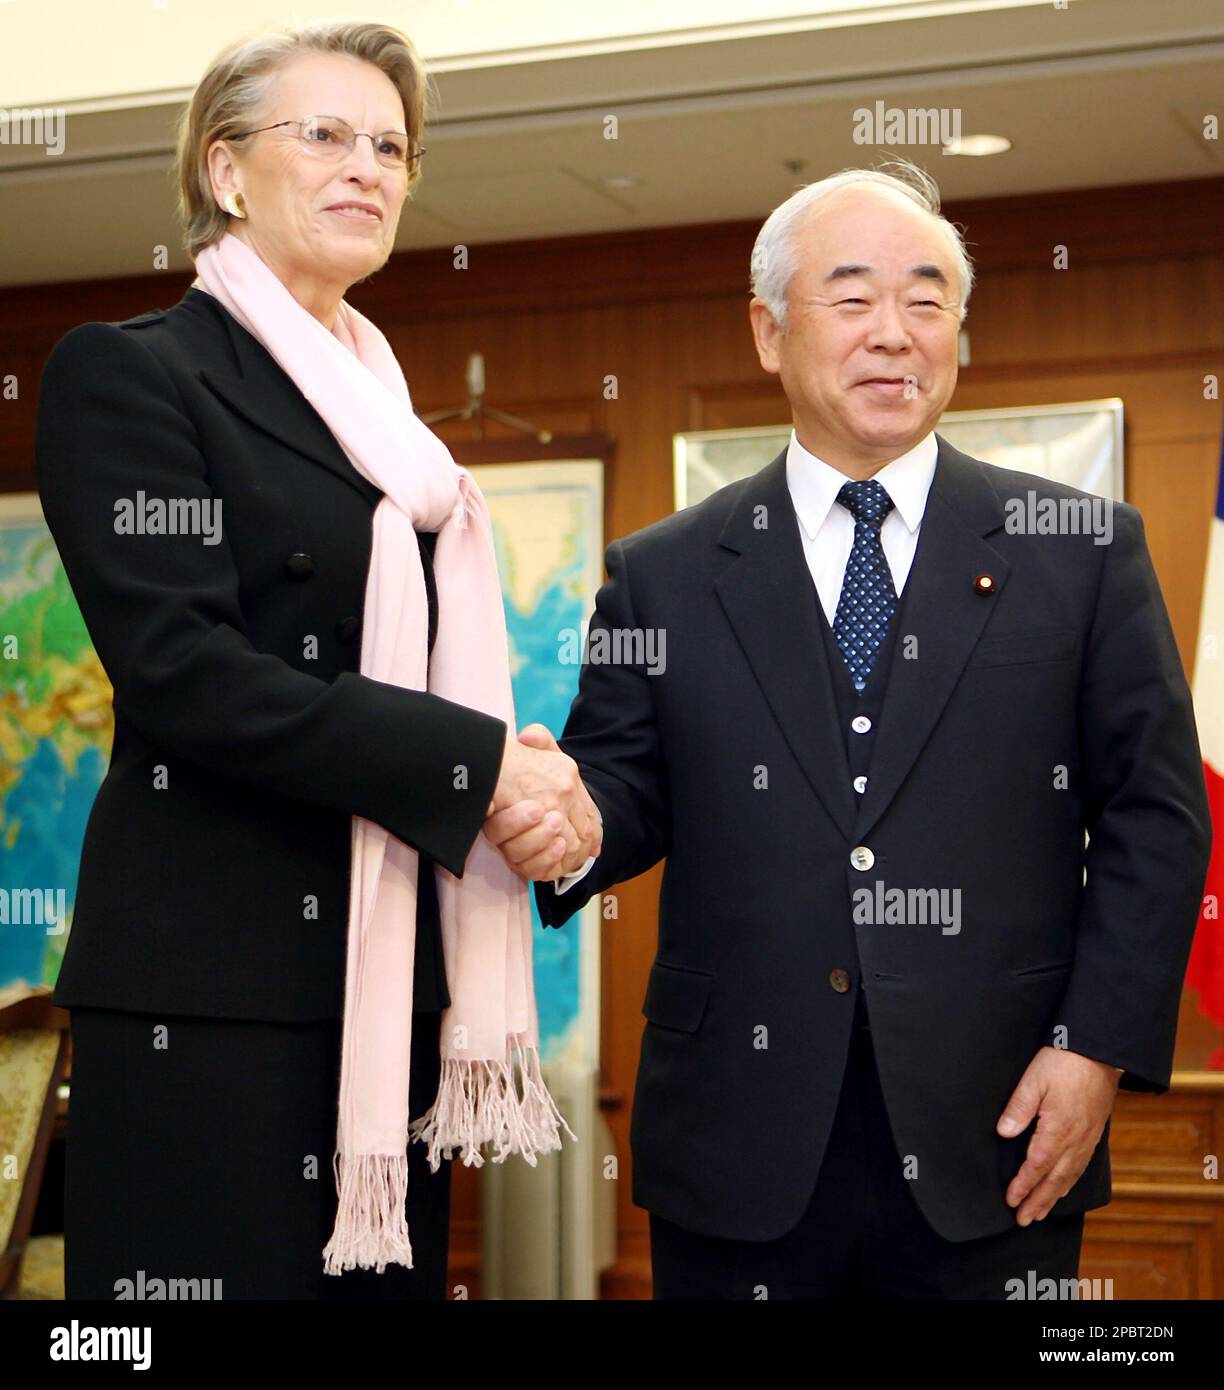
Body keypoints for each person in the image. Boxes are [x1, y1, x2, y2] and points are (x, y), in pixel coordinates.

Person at [493, 160, 1214, 1298]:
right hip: (739, 1134)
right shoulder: (664, 574)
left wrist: (1095, 1048)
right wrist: (569, 820)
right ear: (769, 331)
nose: (895, 332)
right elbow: (621, 796)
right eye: (854, 296)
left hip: (1005, 1126)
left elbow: (1158, 820)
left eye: (928, 300)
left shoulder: (1079, 551)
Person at [35, 19, 598, 1301]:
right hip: (215, 998)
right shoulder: (131, 375)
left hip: (395, 991)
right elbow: (185, 671)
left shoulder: (397, 434)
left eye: (392, 147)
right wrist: (476, 769)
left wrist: (526, 778)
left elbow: (433, 691)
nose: (370, 168)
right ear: (226, 173)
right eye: (326, 135)